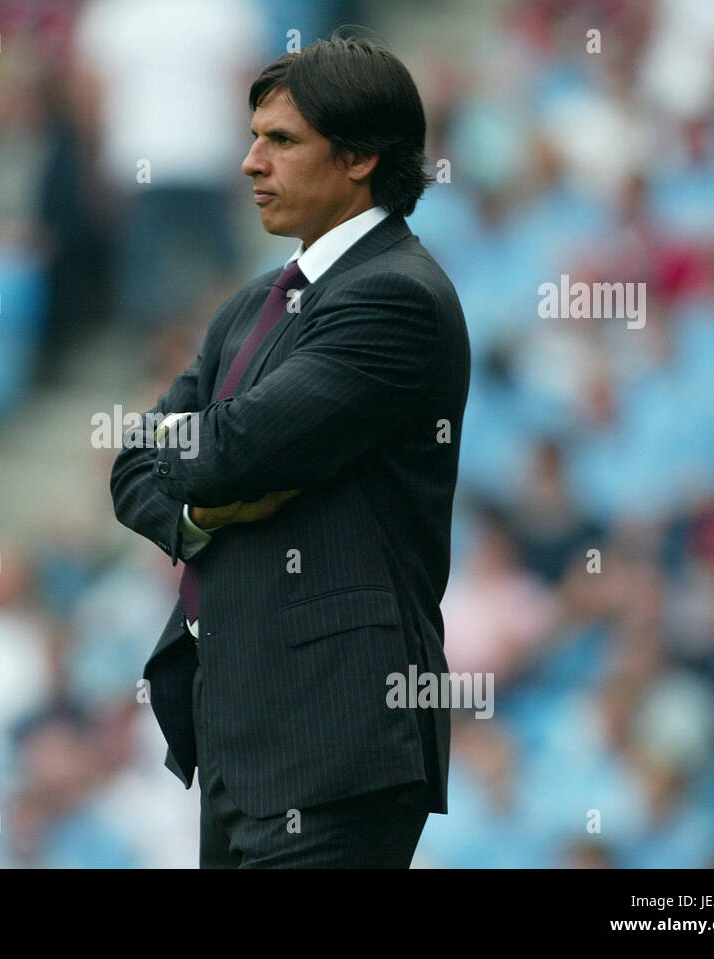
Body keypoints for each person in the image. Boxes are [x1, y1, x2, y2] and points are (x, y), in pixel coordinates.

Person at [109, 35, 471, 867]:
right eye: (252, 136)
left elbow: (230, 448)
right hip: (241, 737)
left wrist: (202, 464)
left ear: (359, 158)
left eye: (280, 140)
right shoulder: (251, 304)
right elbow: (135, 464)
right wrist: (199, 510)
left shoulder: (395, 296)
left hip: (338, 735)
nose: (248, 162)